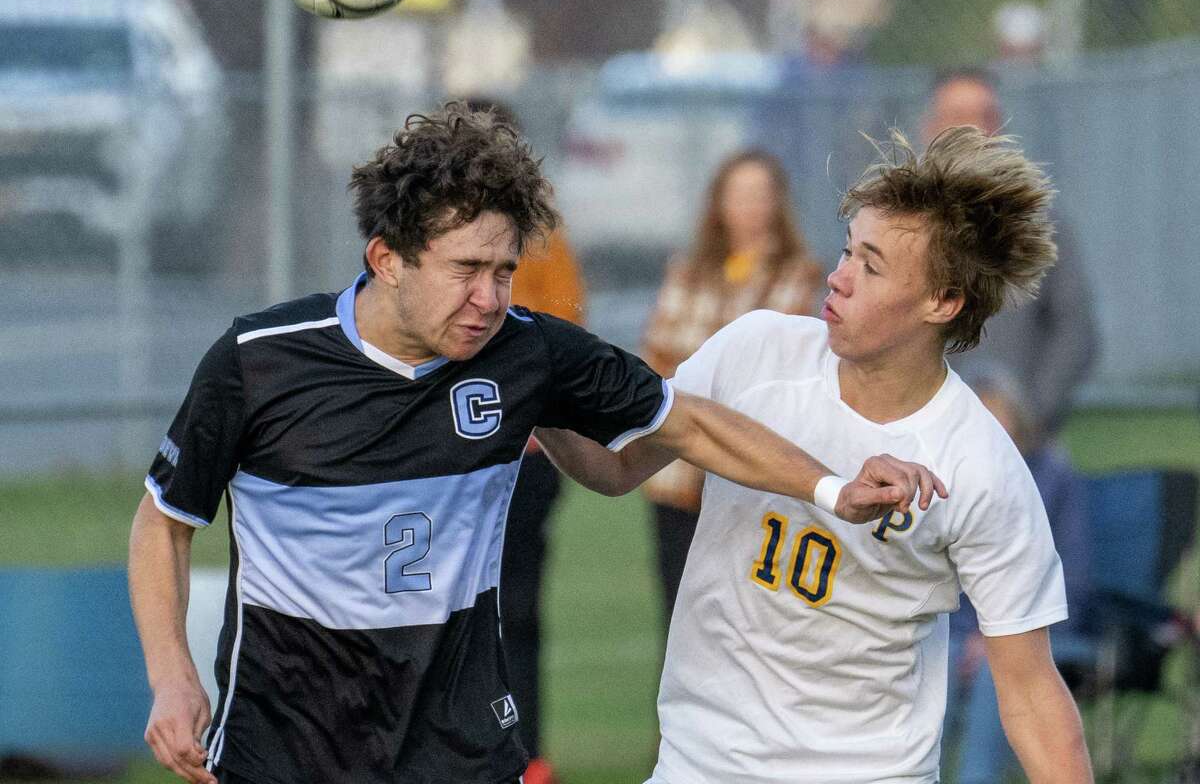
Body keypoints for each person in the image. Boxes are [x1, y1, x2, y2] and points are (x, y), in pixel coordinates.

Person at [128, 102, 942, 784]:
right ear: (386, 260)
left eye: (506, 270)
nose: (489, 298)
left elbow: (683, 425)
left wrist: (834, 488)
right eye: (466, 268)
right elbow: (163, 521)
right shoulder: (259, 362)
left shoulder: (526, 351)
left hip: (460, 747)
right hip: (285, 748)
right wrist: (171, 679)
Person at [538, 126, 1094, 784]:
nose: (838, 277)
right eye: (847, 250)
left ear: (943, 301)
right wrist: (528, 389)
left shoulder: (980, 465)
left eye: (872, 265)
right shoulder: (754, 351)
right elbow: (615, 468)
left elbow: (1030, 692)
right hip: (699, 766)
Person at [640, 150, 825, 626]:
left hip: (755, 478)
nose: (750, 208)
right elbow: (657, 358)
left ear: (778, 204)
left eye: (761, 196)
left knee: (749, 621)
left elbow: (787, 374)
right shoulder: (689, 272)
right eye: (739, 195)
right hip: (678, 478)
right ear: (718, 203)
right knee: (680, 617)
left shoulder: (801, 278)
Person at [467, 99, 585, 784]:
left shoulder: (539, 234)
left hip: (523, 453)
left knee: (517, 604)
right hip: (446, 455)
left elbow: (563, 326)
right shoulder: (428, 235)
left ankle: (525, 755)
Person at [924, 67, 1098, 443]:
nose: (971, 131)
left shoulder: (1041, 224)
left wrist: (1027, 414)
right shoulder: (893, 222)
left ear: (1000, 131)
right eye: (957, 118)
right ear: (930, 127)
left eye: (984, 118)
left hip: (1021, 444)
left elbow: (1076, 333)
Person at [946, 363, 1092, 784]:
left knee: (1002, 666)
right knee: (932, 659)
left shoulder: (1055, 477)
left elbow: (1074, 582)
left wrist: (997, 635)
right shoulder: (947, 480)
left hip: (1040, 629)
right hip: (957, 634)